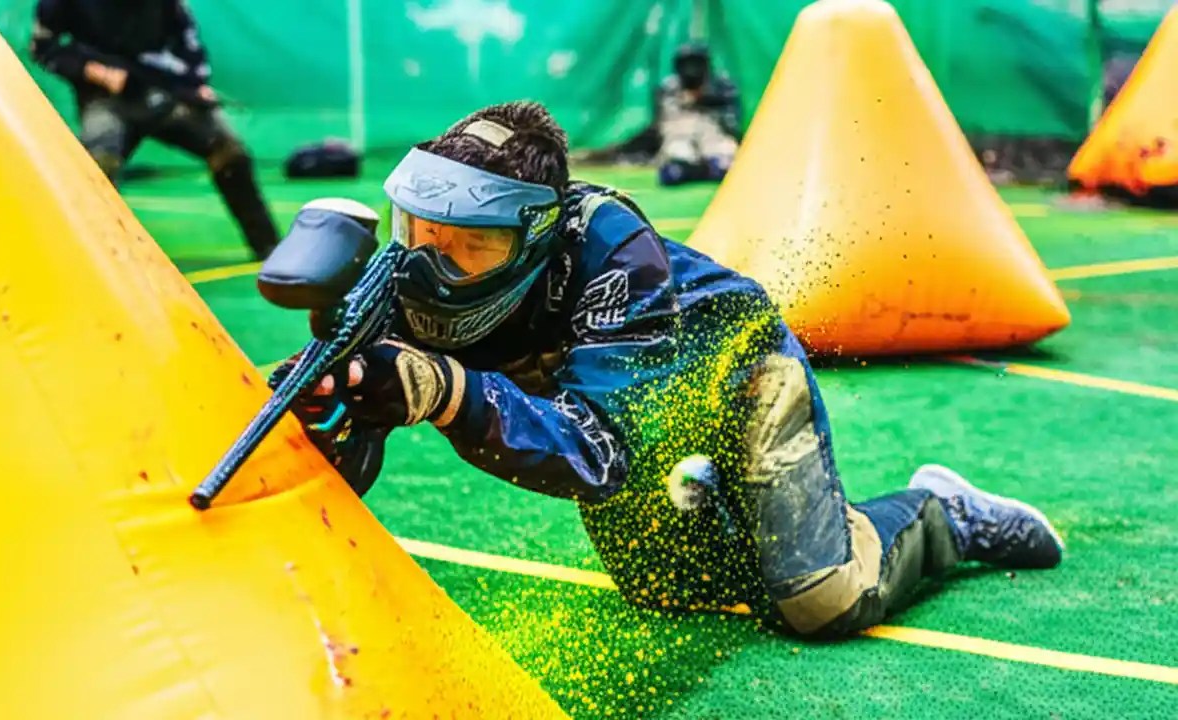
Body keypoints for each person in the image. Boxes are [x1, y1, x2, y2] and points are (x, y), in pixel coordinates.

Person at [275, 101, 1063, 637]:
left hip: (737, 380)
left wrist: (444, 392)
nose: (432, 265)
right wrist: (332, 403)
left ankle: (944, 511)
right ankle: (740, 509)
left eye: (471, 244)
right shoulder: (406, 271)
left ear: (536, 234)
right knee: (670, 589)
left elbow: (598, 453)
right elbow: (351, 450)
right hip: (629, 412)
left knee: (820, 601)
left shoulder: (611, 248)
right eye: (421, 229)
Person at [30, 0, 279, 259]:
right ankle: (98, 258)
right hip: (105, 100)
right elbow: (44, 49)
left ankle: (268, 246)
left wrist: (195, 83)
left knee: (229, 152)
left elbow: (189, 44)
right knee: (96, 169)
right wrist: (92, 70)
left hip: (165, 94)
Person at [653, 42, 743, 186]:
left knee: (726, 159)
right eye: (687, 64)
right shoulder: (669, 89)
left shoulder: (722, 86)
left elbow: (733, 123)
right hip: (682, 138)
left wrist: (707, 100)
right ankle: (699, 171)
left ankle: (703, 170)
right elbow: (662, 125)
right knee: (673, 168)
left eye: (696, 64)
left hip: (713, 137)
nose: (691, 70)